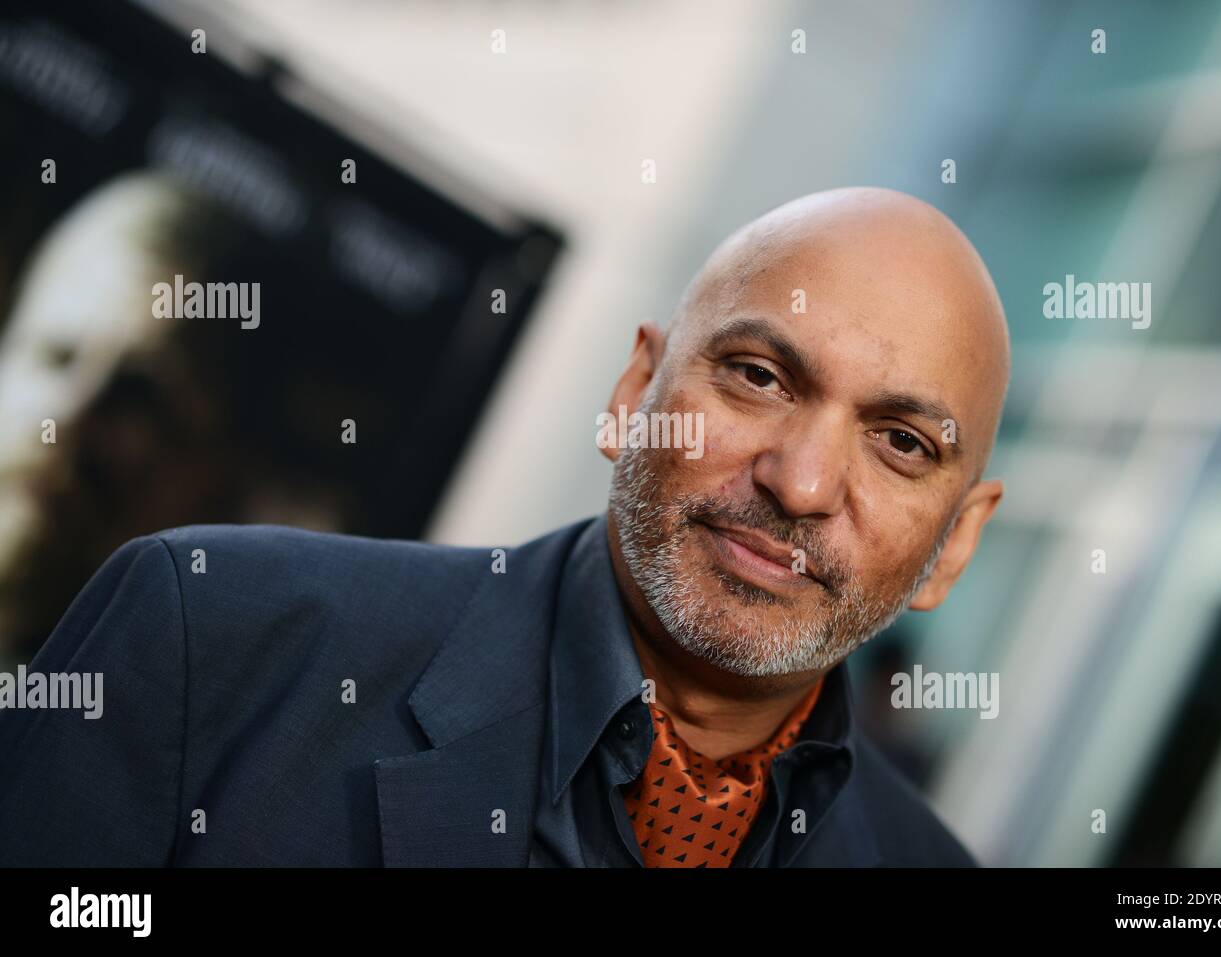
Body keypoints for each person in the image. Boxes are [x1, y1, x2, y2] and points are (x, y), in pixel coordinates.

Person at [0, 186, 1009, 867]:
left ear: (954, 546)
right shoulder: (209, 637)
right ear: (632, 392)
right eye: (757, 377)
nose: (799, 482)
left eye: (901, 444)